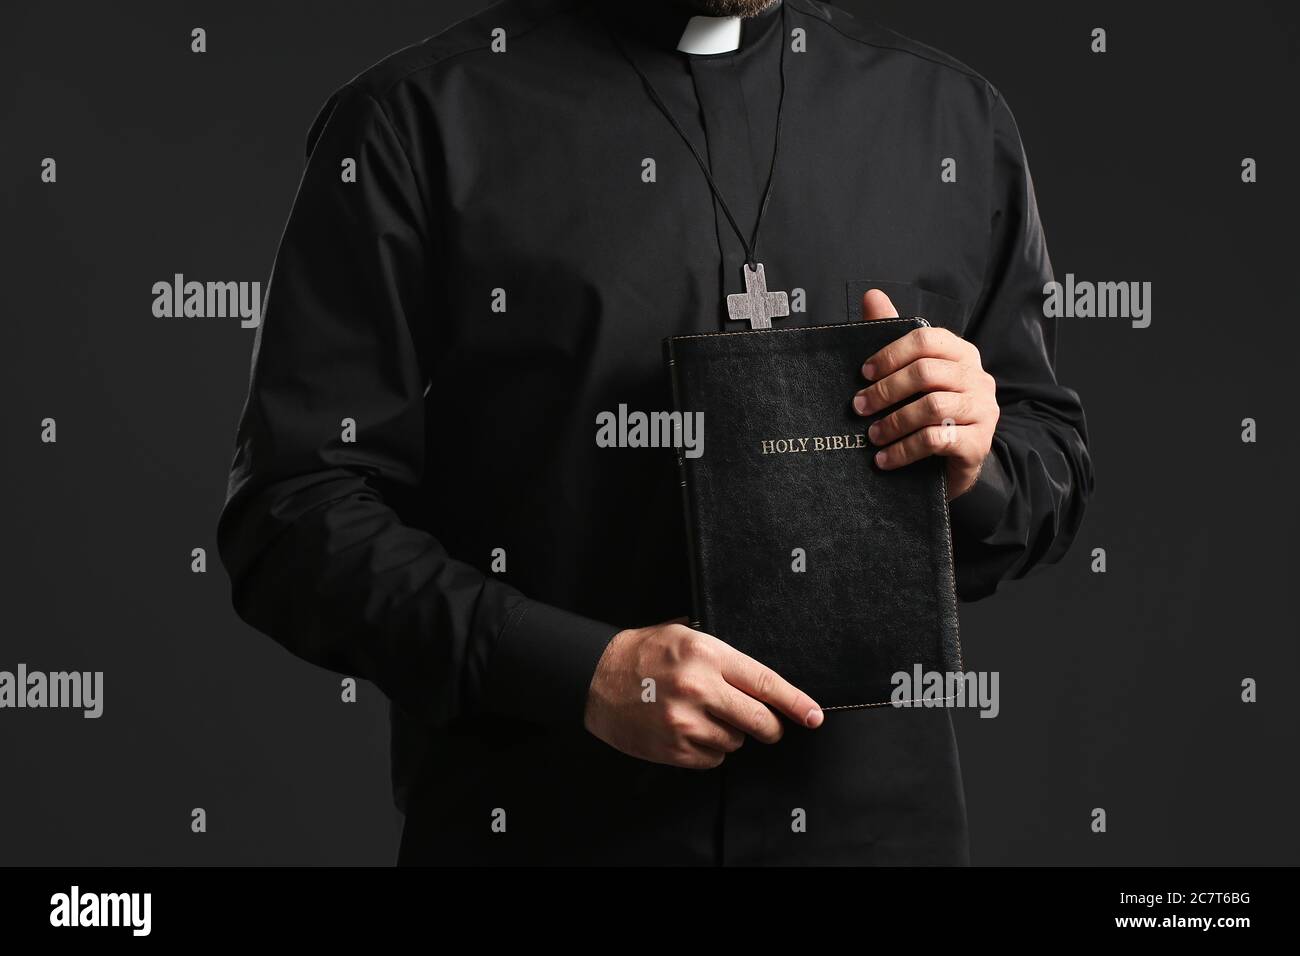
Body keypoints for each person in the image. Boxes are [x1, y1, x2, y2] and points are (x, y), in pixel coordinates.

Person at [217, 0, 1092, 865]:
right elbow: (292, 513)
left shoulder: (950, 118)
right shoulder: (413, 122)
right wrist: (579, 672)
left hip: (881, 838)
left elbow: (1048, 460)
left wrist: (976, 464)